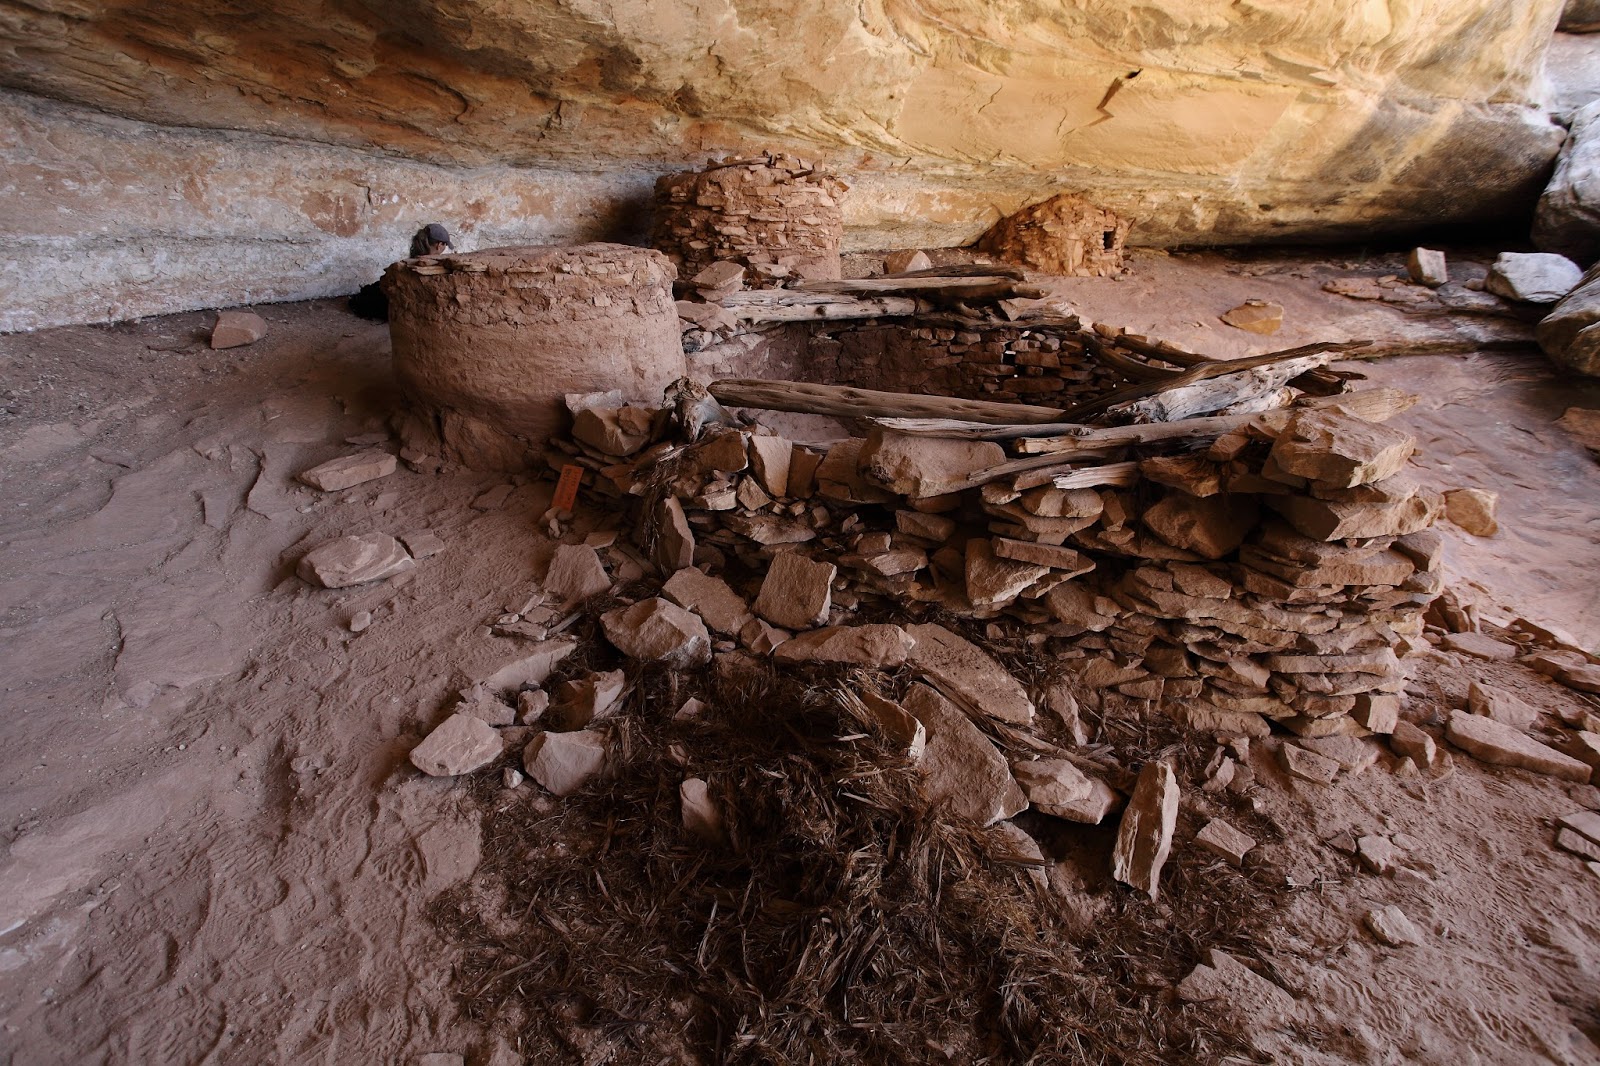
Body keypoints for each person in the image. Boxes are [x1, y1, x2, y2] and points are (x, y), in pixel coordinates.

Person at [349, 223, 456, 321]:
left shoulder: (409, 263)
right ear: (439, 245)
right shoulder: (431, 268)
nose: (444, 249)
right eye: (445, 245)